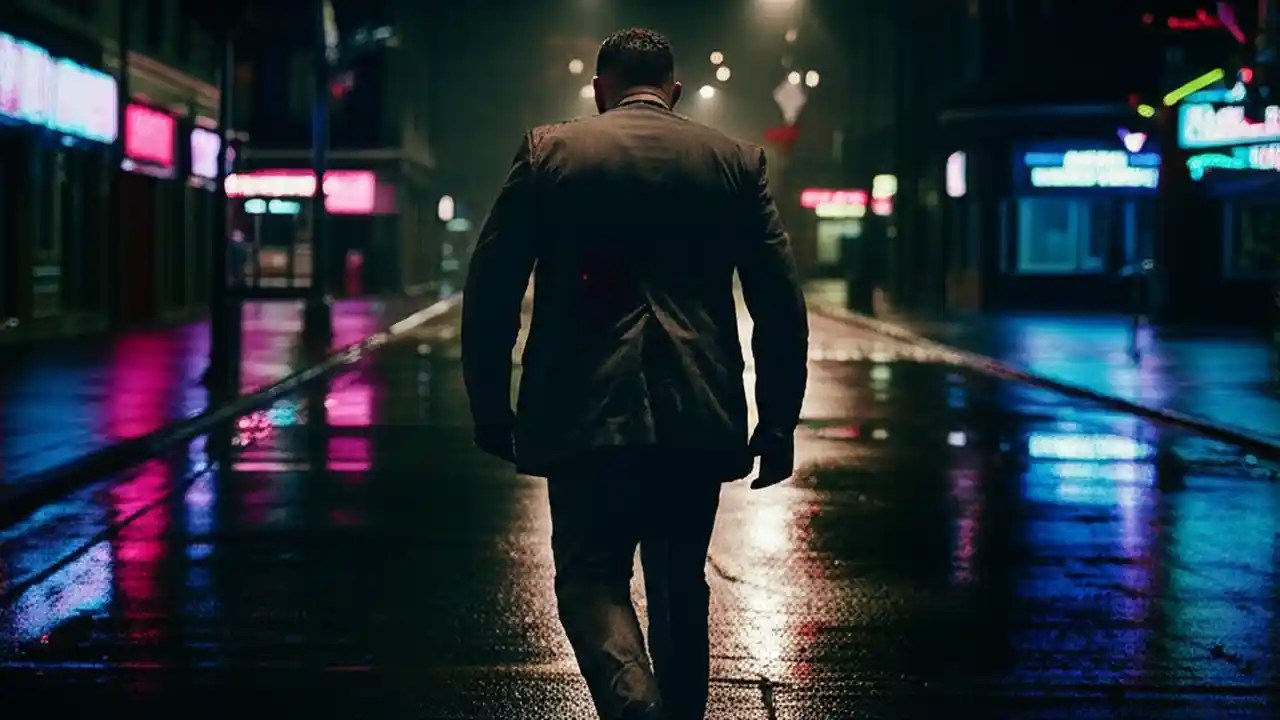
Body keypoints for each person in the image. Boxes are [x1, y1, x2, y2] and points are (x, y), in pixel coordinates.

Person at [461, 27, 808, 720]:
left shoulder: (550, 152)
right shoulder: (734, 162)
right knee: (681, 583)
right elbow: (778, 303)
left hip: (582, 408)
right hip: (699, 407)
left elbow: (493, 287)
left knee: (591, 576)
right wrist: (776, 421)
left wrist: (491, 406)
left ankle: (633, 705)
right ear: (674, 93)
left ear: (599, 90)